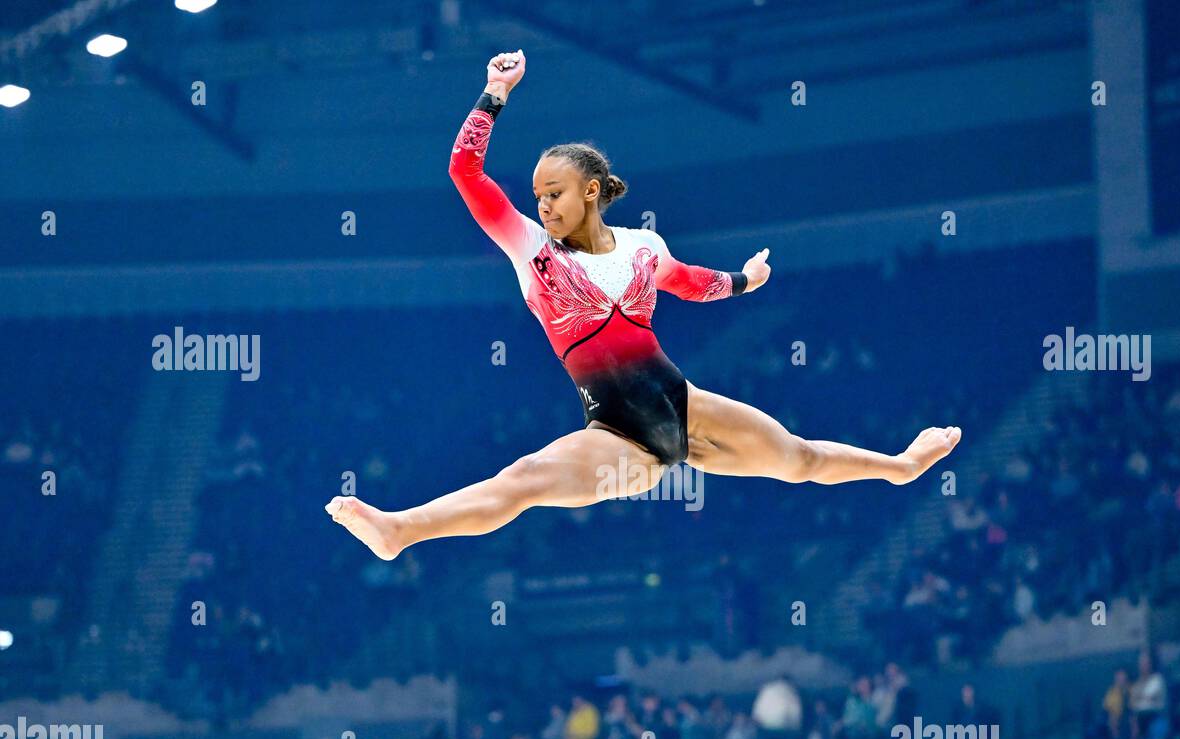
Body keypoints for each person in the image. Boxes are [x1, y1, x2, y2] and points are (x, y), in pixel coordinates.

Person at [326, 50, 961, 558]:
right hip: (621, 441)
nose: (542, 205)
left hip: (684, 406)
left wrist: (744, 281)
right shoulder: (530, 249)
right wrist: (494, 95)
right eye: (538, 195)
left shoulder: (642, 247)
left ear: (593, 191)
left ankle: (902, 467)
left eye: (556, 193)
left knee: (799, 458)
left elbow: (687, 280)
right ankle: (400, 529)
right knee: (521, 481)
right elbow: (466, 172)